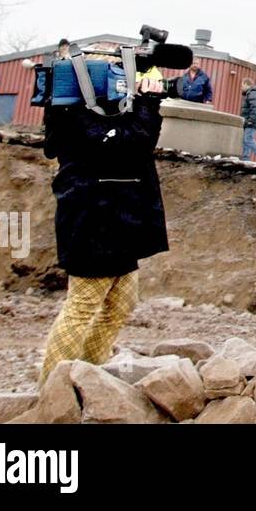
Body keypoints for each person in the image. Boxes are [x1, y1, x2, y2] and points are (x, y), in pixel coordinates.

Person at [38, 63, 168, 386]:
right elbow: (133, 142)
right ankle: (52, 389)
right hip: (93, 222)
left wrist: (137, 103)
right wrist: (148, 104)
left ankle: (85, 372)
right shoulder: (78, 117)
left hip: (116, 221)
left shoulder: (99, 115)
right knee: (82, 306)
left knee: (121, 302)